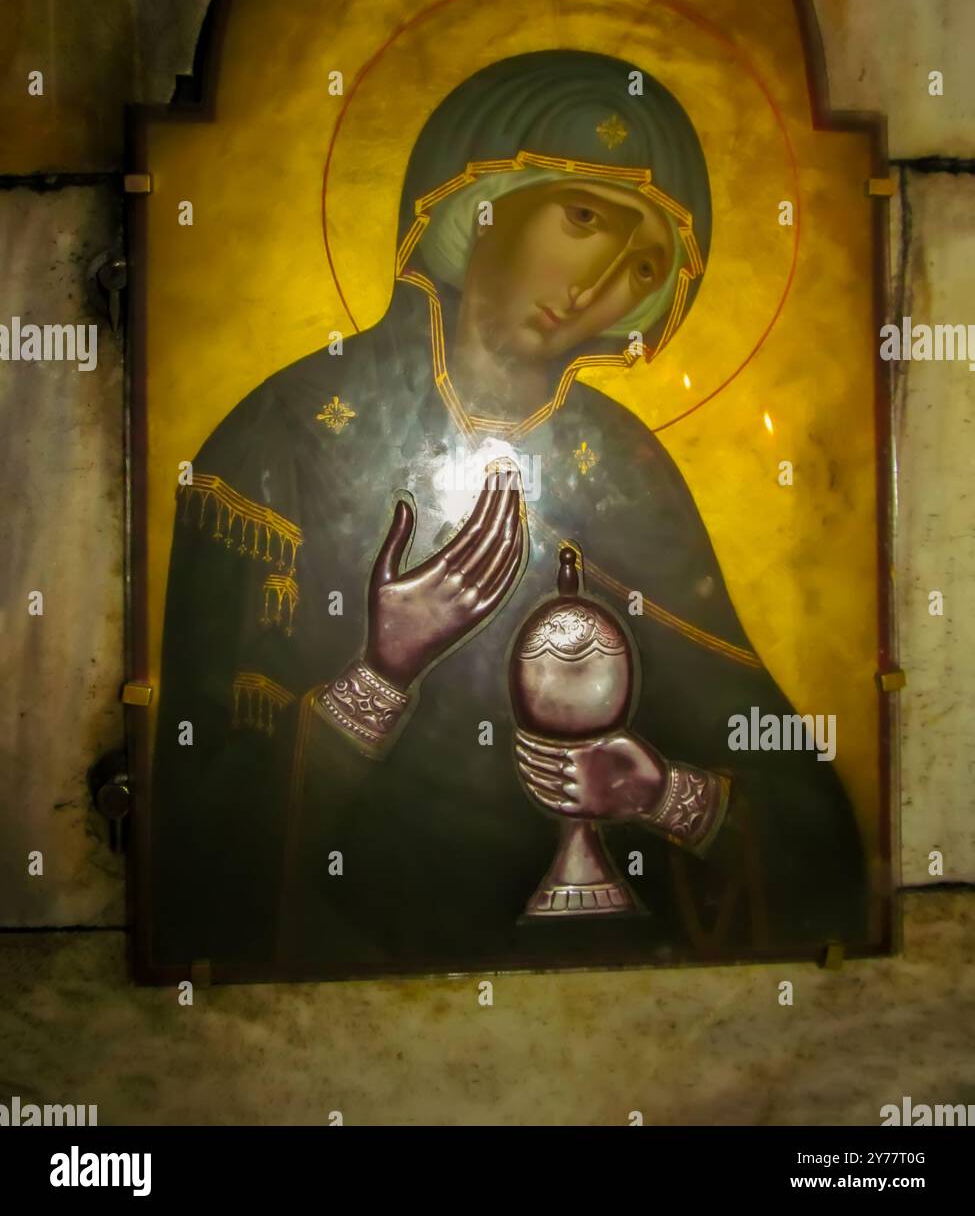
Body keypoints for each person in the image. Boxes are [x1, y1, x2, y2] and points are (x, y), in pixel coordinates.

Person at [151, 50, 866, 979]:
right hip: (350, 975)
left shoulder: (626, 469)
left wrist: (666, 794)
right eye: (582, 218)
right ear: (477, 200)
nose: (598, 281)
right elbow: (200, 841)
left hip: (612, 983)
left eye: (642, 264)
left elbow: (810, 825)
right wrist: (382, 672)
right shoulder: (285, 436)